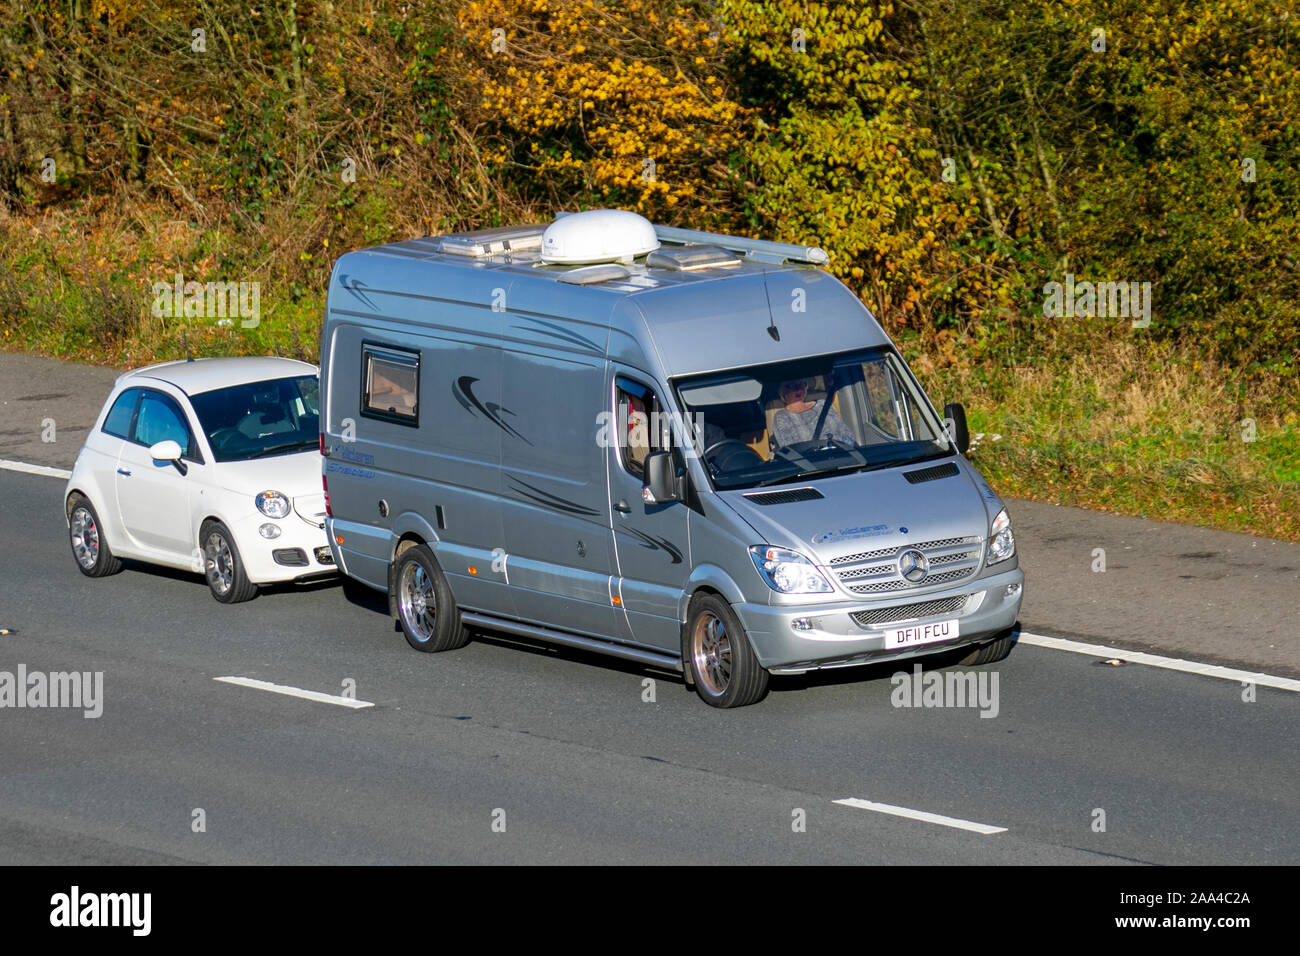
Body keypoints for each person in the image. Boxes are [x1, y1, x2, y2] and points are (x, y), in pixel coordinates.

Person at [771, 378, 855, 448]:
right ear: (782, 393)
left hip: (838, 454)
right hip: (809, 463)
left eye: (800, 384)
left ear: (805, 388)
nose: (797, 389)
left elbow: (846, 435)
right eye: (790, 386)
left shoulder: (823, 404)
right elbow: (790, 449)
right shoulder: (781, 417)